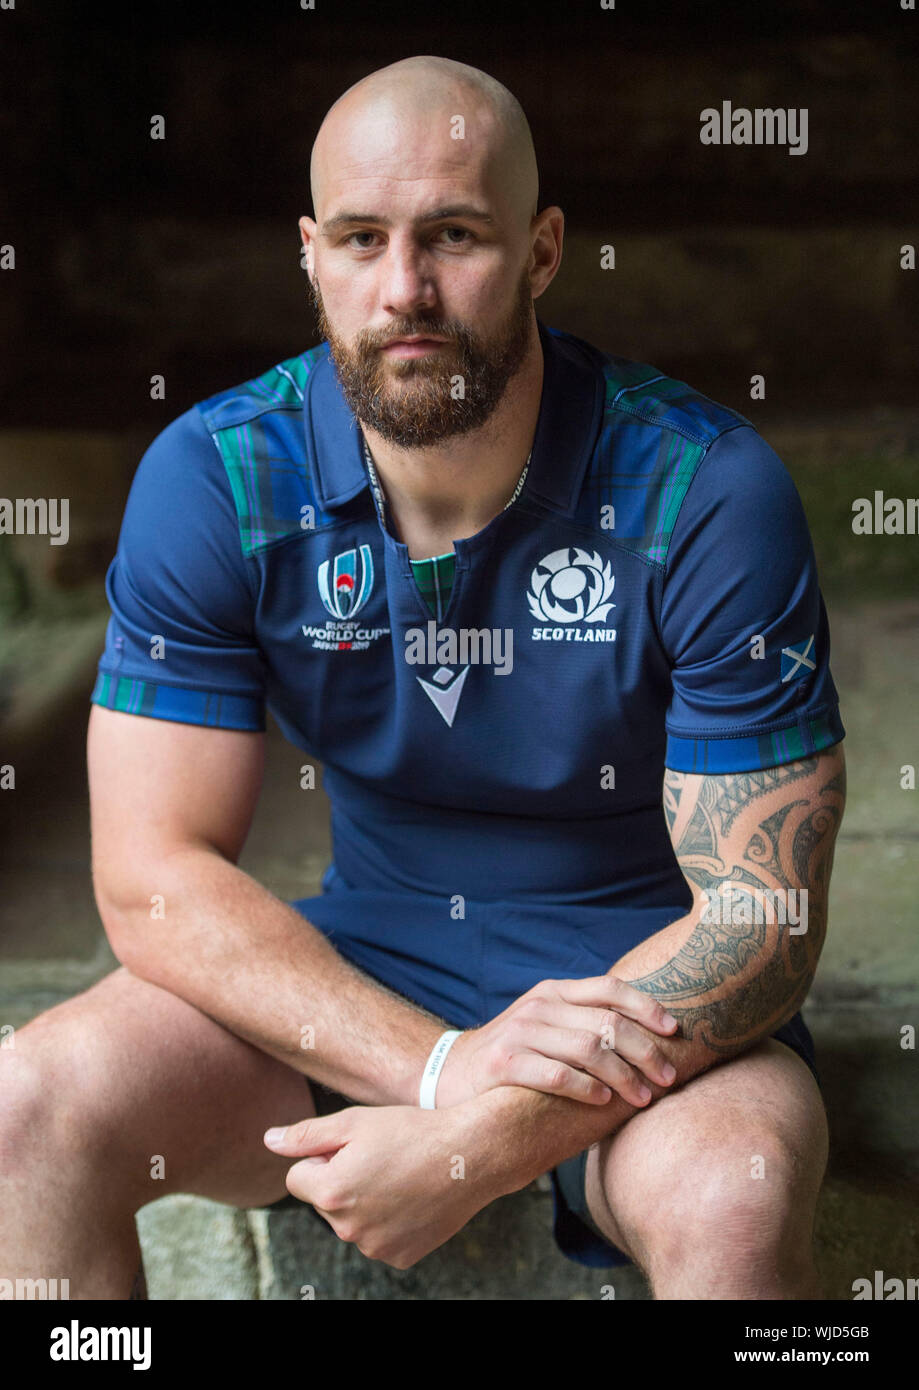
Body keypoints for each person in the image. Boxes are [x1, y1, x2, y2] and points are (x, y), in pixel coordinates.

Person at [3, 55, 846, 1300]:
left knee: (738, 1194)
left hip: (653, 996)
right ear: (309, 253)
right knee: (24, 1110)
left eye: (453, 235)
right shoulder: (221, 476)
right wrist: (444, 1067)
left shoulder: (703, 488)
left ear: (544, 250)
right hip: (369, 969)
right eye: (359, 239)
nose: (404, 289)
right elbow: (152, 880)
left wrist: (477, 1140)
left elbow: (759, 921)